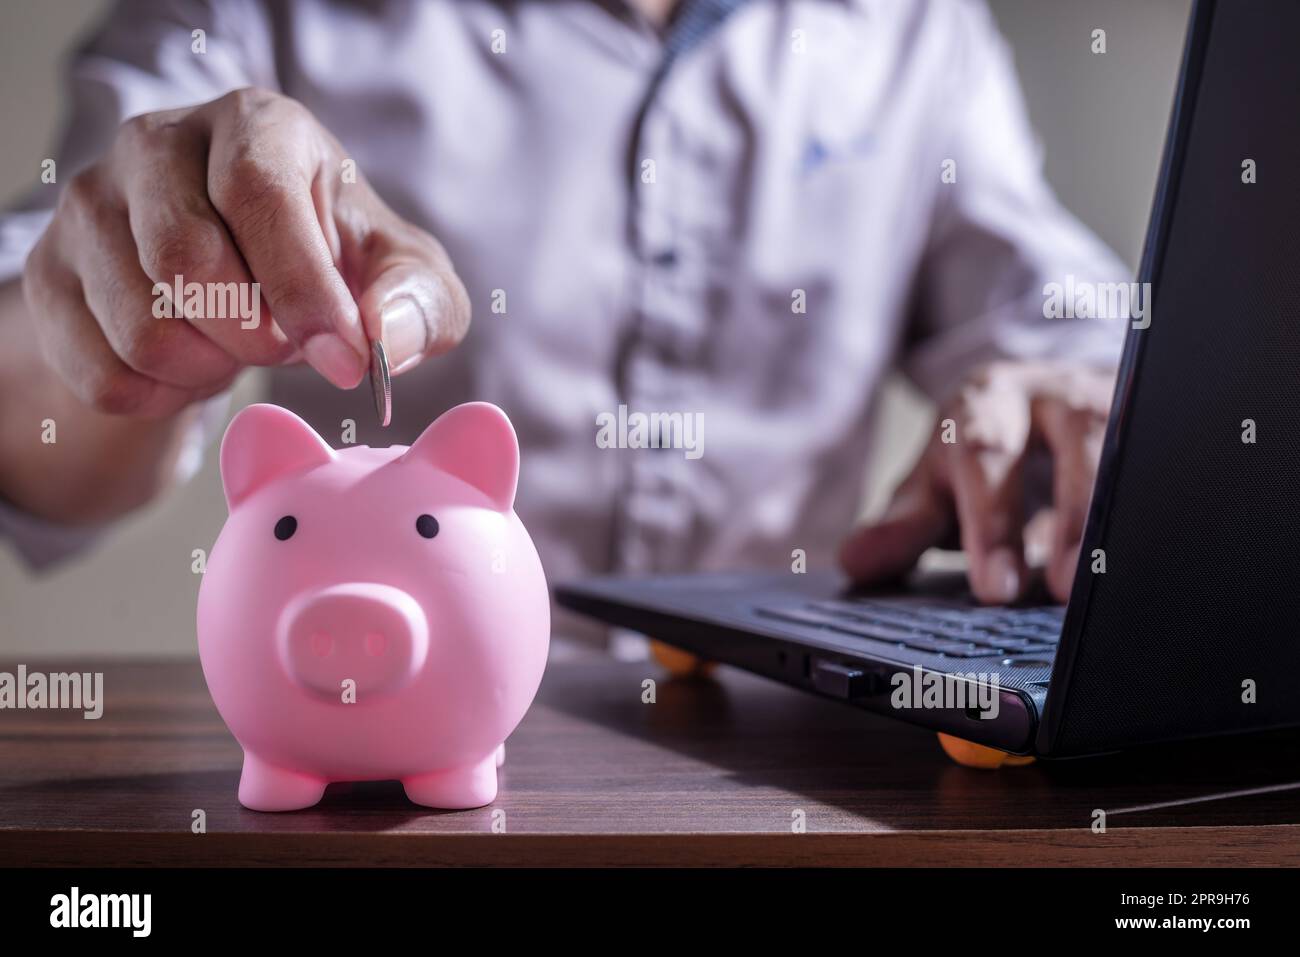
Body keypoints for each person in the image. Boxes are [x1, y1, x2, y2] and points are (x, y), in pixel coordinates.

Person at [0, 0, 1127, 622]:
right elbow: (28, 395)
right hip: (386, 791)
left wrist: (1074, 396)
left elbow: (1060, 318)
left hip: (796, 774)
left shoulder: (915, 31)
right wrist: (109, 311)